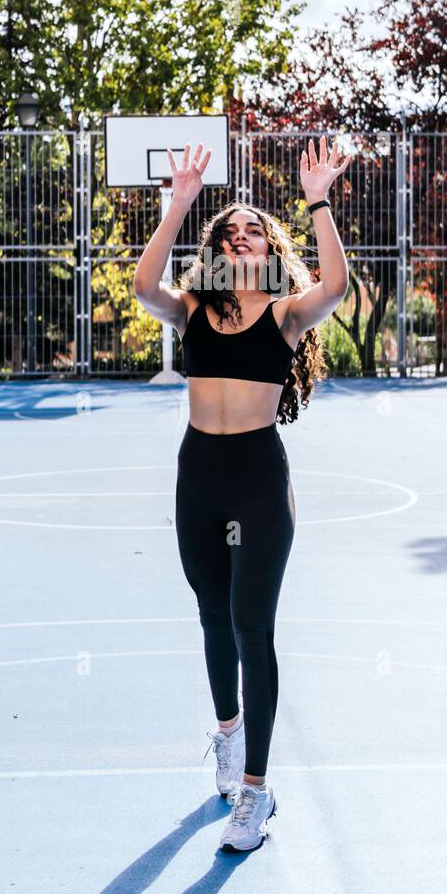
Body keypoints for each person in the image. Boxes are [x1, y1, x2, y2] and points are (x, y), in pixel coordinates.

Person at [133, 134, 352, 852]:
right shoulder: (193, 304)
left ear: (270, 243)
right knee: (210, 616)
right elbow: (142, 288)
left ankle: (255, 794)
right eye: (228, 229)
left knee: (252, 628)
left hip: (259, 479)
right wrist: (180, 206)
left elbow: (338, 288)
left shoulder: (287, 312)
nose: (241, 233)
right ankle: (228, 736)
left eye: (254, 226)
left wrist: (318, 198)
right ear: (218, 247)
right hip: (199, 475)